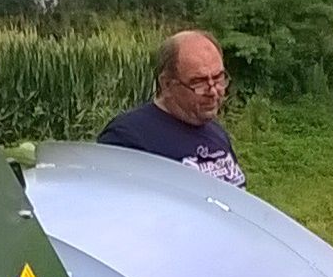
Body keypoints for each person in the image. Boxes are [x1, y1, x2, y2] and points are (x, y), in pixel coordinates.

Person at [97, 30, 245, 187]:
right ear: (167, 84)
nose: (214, 92)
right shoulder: (128, 138)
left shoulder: (215, 132)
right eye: (198, 82)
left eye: (218, 78)